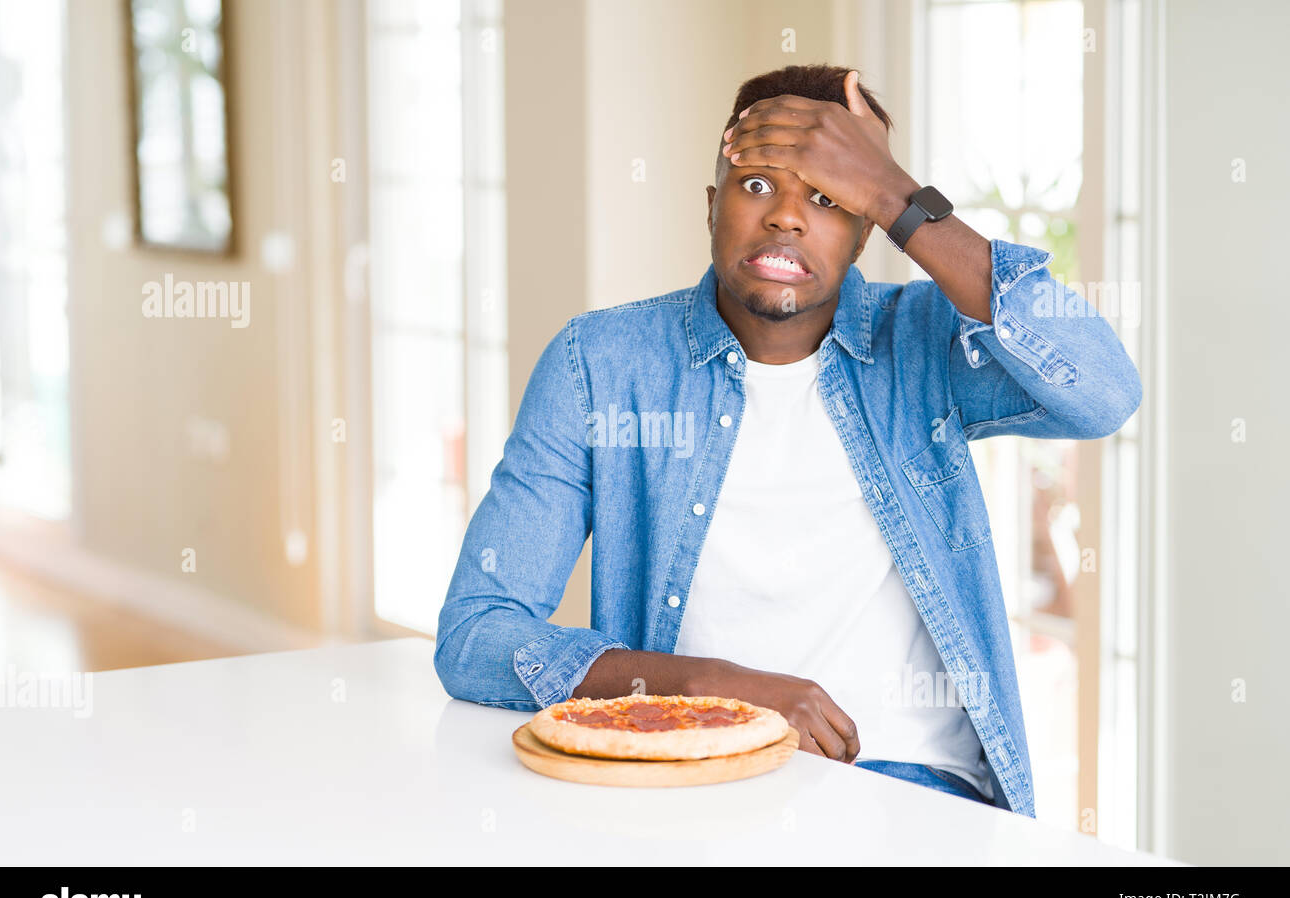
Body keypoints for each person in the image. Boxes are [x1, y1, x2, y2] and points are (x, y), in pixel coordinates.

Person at [434, 63, 1141, 816]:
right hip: (702, 774)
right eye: (759, 184)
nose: (787, 218)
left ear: (869, 231)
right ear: (712, 206)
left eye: (831, 195)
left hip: (913, 792)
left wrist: (899, 195)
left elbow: (1104, 391)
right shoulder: (600, 365)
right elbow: (478, 633)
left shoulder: (926, 343)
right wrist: (714, 687)